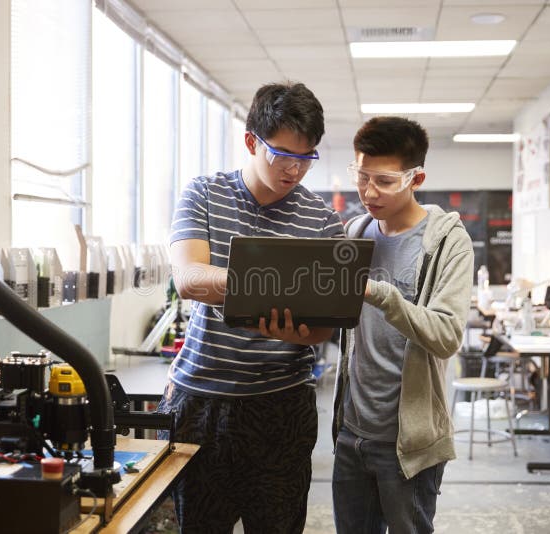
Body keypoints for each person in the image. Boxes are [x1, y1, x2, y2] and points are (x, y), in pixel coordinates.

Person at [159, 81, 344, 533]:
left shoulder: (323, 220)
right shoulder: (203, 193)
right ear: (250, 142)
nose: (294, 170)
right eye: (282, 155)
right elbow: (188, 279)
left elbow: (324, 327)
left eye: (306, 158)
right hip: (203, 403)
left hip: (282, 406)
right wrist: (280, 287)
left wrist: (287, 326)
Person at [332, 116, 474, 534]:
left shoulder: (447, 241)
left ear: (416, 178)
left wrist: (383, 296)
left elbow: (447, 335)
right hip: (352, 434)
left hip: (407, 443)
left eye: (384, 180)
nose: (369, 191)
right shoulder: (355, 232)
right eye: (361, 177)